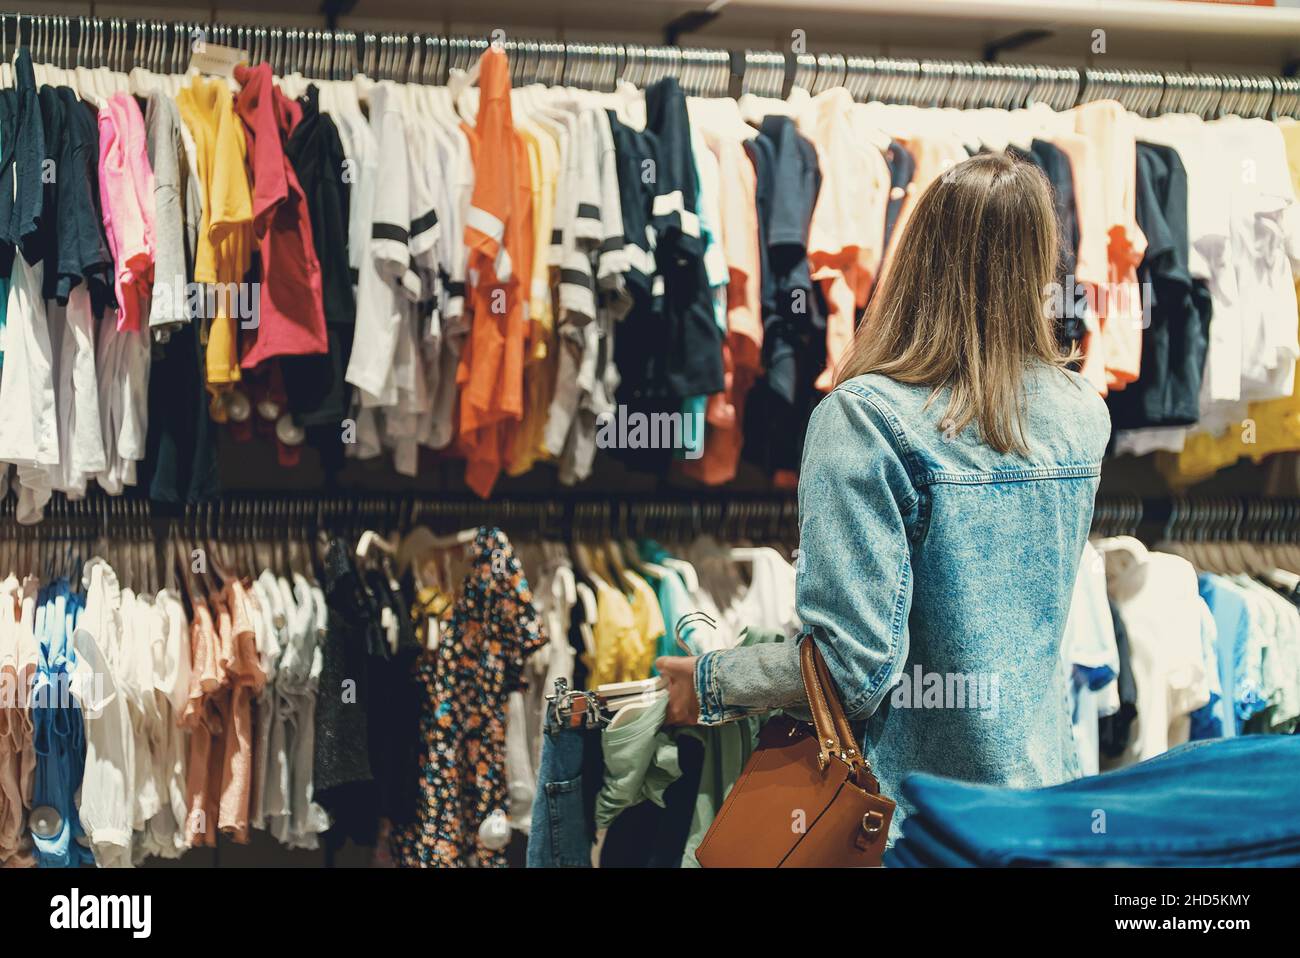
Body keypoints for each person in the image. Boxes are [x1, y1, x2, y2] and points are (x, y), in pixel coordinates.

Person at [657, 152, 1112, 843]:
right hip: (1045, 804)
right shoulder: (1081, 411)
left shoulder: (867, 418)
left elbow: (853, 669)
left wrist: (711, 683)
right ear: (1040, 265)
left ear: (917, 254)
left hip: (907, 824)